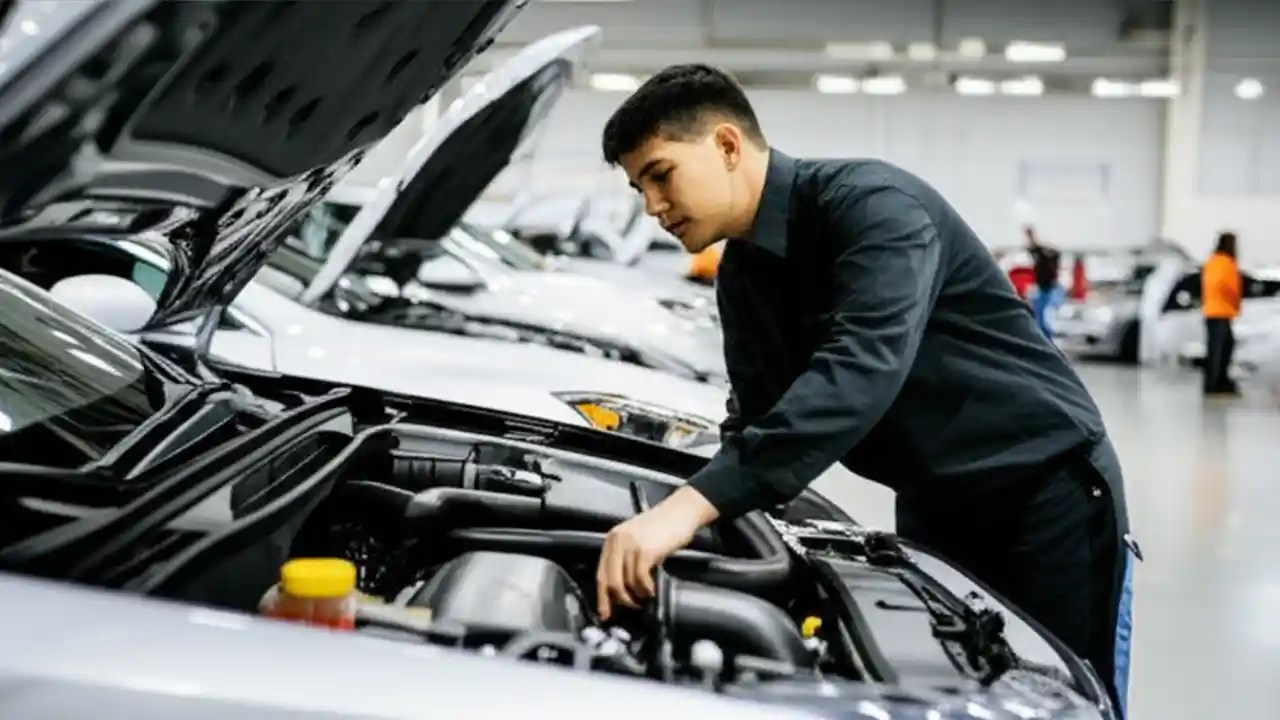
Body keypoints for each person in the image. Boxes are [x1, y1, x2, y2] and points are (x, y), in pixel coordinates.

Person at [592, 64, 1138, 717]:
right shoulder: (743, 275)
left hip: (1045, 499)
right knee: (957, 696)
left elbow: (860, 370)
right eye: (638, 188)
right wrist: (684, 509)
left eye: (660, 174)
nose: (651, 206)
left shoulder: (876, 207)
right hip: (936, 503)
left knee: (1062, 703)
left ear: (727, 145)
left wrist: (684, 510)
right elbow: (759, 421)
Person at [1201, 232, 1242, 395]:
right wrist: (1236, 303)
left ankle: (1214, 382)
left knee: (1216, 349)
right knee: (1222, 351)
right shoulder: (1227, 263)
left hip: (1211, 310)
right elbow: (1231, 288)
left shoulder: (1212, 262)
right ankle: (1216, 384)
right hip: (1222, 311)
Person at [1024, 225, 1063, 336]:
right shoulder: (1038, 252)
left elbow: (1041, 249)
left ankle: (1047, 336)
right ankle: (1044, 335)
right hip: (1043, 287)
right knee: (1040, 314)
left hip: (1049, 287)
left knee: (1045, 315)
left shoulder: (1045, 253)